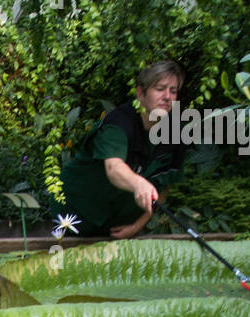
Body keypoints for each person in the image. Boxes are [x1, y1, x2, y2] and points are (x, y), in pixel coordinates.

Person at [52, 60, 188, 239]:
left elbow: (164, 187)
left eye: (173, 91)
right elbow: (114, 168)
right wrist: (139, 183)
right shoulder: (118, 123)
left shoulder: (176, 135)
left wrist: (137, 226)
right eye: (160, 89)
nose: (167, 96)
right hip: (72, 216)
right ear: (141, 93)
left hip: (116, 228)